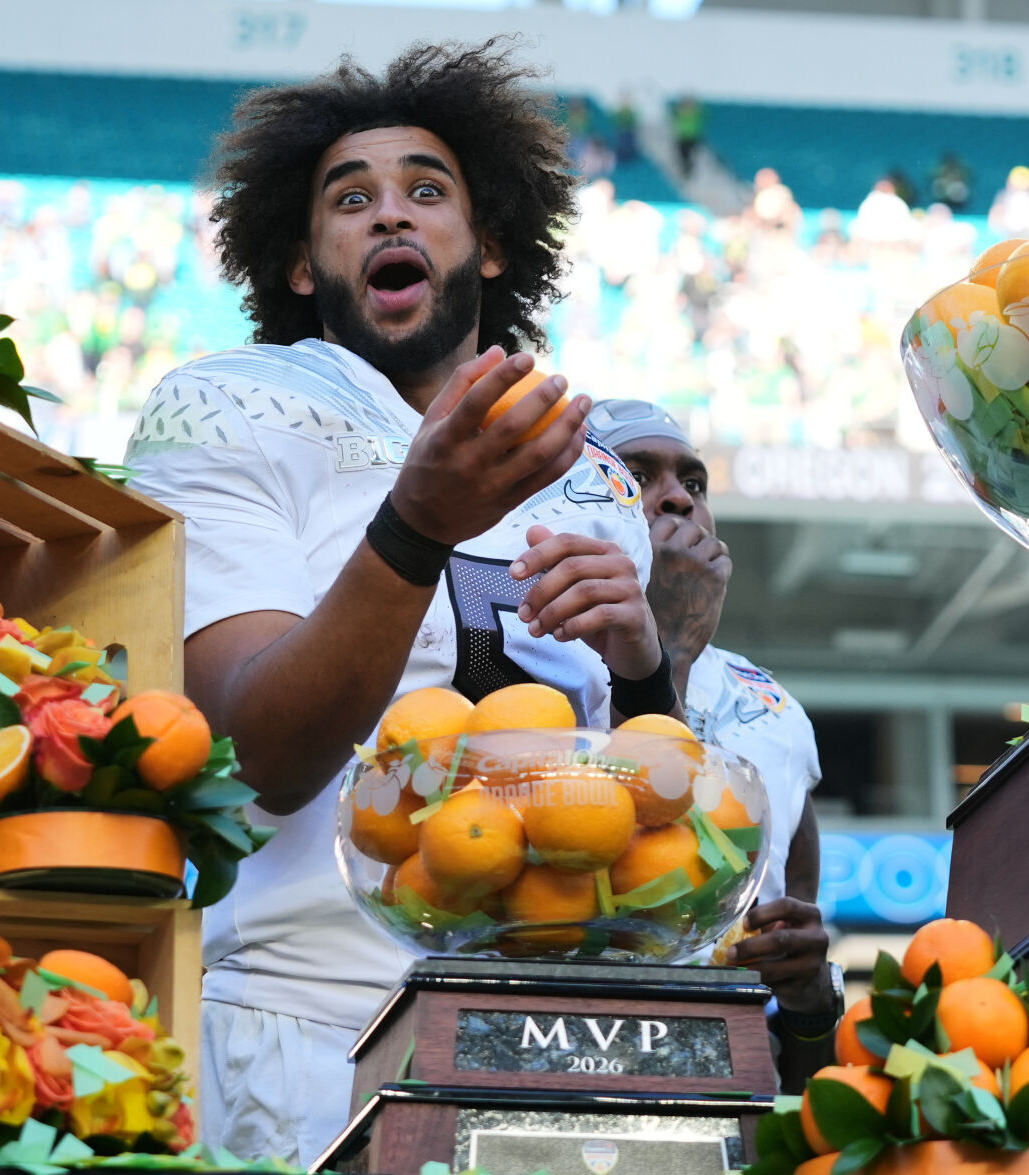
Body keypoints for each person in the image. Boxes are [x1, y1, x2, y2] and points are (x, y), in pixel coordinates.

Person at [124, 42, 674, 1162]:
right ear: (294, 261)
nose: (390, 216)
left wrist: (643, 667)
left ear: (491, 242)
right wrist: (415, 526)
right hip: (305, 1020)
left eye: (427, 191)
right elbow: (256, 750)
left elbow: (641, 814)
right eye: (351, 198)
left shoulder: (593, 471)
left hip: (555, 1034)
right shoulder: (224, 404)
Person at [587, 398, 840, 1089]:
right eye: (635, 477)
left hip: (739, 1103)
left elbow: (801, 966)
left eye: (692, 484)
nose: (675, 498)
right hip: (587, 1069)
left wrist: (811, 998)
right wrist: (662, 642)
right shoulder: (530, 665)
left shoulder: (775, 707)